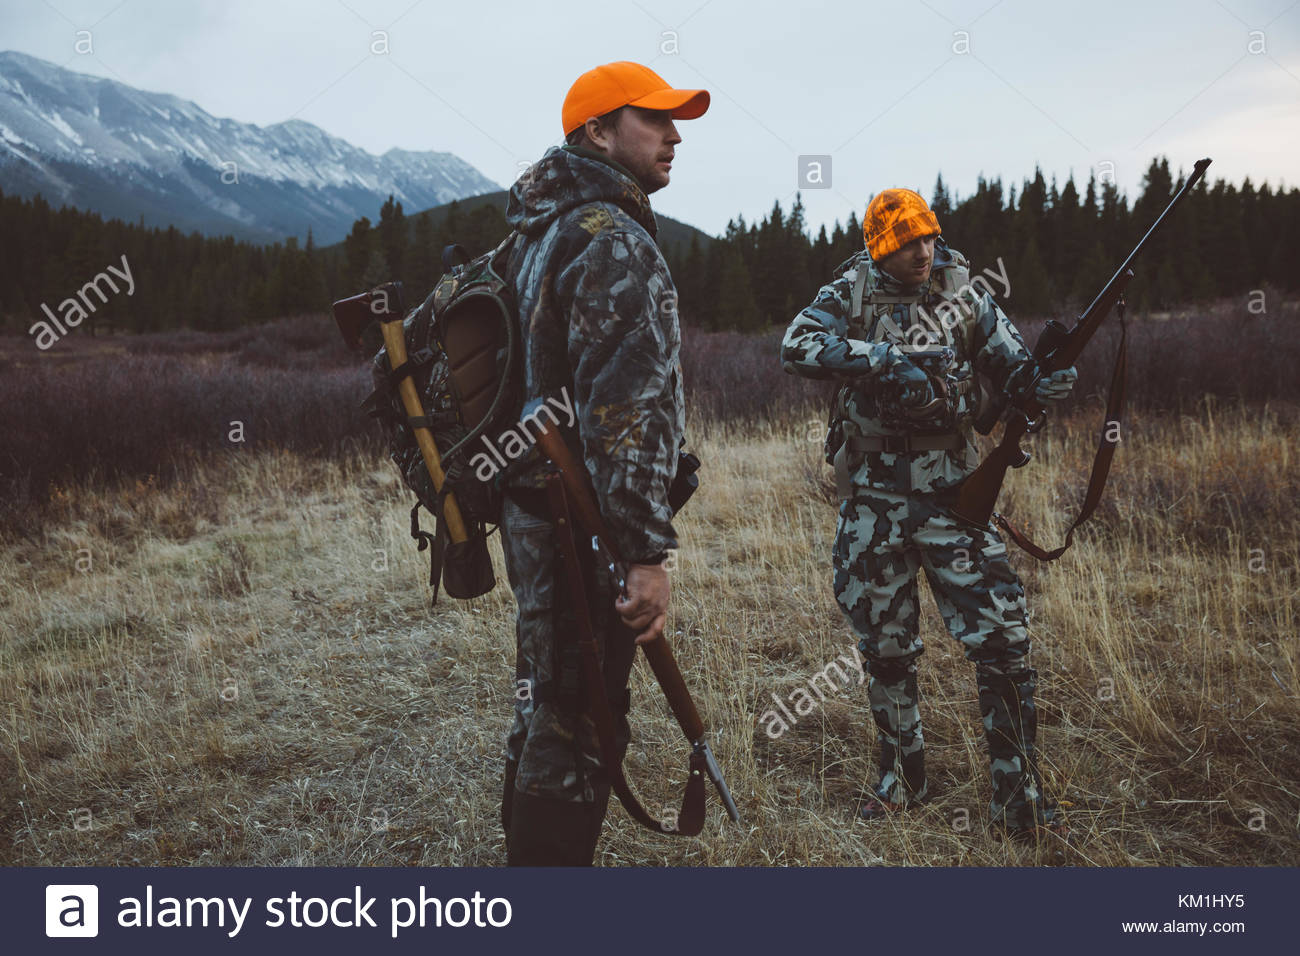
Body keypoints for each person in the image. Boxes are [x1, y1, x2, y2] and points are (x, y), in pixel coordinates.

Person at [780, 188, 1076, 842]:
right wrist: (881, 360)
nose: (924, 252)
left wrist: (1044, 382)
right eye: (909, 243)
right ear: (881, 246)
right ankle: (901, 778)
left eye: (930, 238)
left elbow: (1014, 368)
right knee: (885, 648)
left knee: (1003, 640)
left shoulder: (965, 293)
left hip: (953, 498)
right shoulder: (849, 293)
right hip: (873, 503)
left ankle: (1018, 795)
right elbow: (795, 346)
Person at [496, 61, 709, 865]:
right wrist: (644, 555)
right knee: (579, 720)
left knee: (547, 698)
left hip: (533, 514)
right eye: (654, 119)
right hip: (580, 523)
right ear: (596, 131)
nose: (675, 135)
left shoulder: (535, 230)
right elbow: (626, 422)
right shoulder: (612, 242)